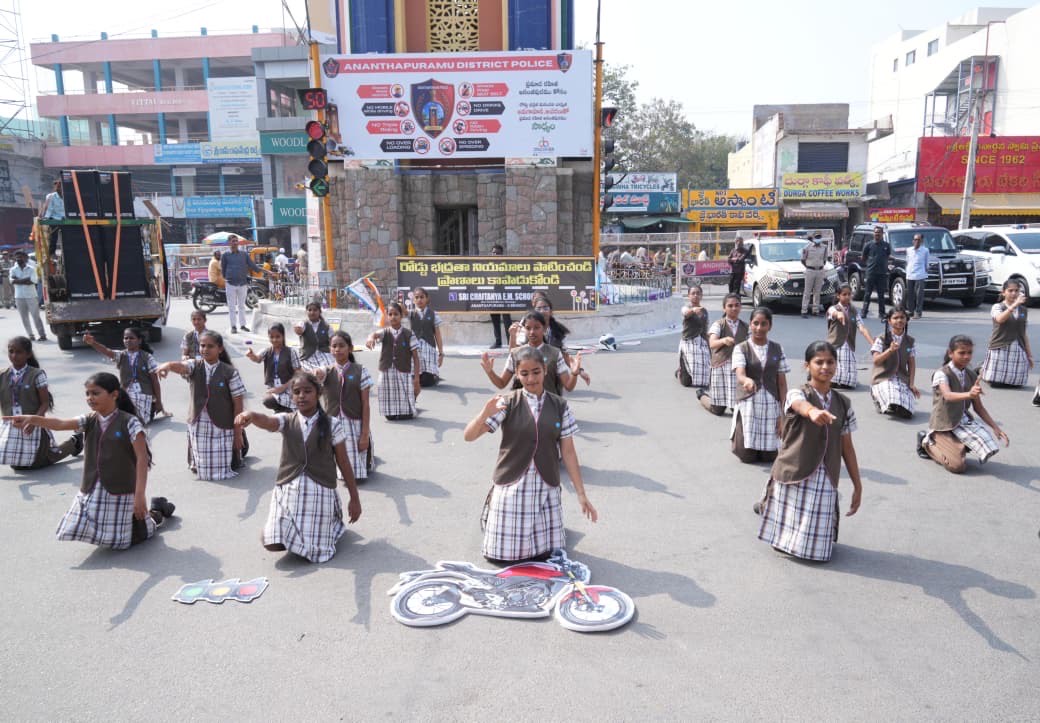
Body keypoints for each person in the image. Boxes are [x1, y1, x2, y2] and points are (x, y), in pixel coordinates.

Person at [6, 372, 175, 550]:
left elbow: (142, 458)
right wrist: (33, 419)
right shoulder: (89, 419)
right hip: (92, 486)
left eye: (95, 393)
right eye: (87, 394)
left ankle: (157, 511)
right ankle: (142, 517)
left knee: (128, 539)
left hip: (120, 489)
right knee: (82, 526)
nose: (90, 398)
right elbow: (61, 424)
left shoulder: (129, 423)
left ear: (114, 394)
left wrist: (139, 496)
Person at [464, 345, 597, 563]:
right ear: (517, 374)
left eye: (536, 372)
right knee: (501, 557)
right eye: (524, 373)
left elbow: (569, 452)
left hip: (544, 485)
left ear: (545, 370)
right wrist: (483, 415)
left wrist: (582, 495)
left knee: (543, 556)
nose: (531, 379)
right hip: (512, 482)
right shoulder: (507, 403)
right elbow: (468, 436)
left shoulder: (560, 406)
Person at [234, 370, 361, 563]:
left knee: (317, 552)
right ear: (292, 396)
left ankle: (328, 526)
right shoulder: (287, 420)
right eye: (297, 392)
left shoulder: (332, 424)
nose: (302, 396)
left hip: (320, 489)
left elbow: (343, 462)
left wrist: (354, 498)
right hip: (289, 487)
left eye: (307, 391)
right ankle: (296, 532)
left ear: (318, 393)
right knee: (269, 541)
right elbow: (268, 421)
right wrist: (250, 415)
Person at [756, 341, 863, 562]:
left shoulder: (843, 403)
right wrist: (812, 411)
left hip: (826, 472)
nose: (825, 367)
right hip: (795, 467)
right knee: (785, 538)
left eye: (830, 362)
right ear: (807, 366)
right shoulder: (799, 393)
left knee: (819, 554)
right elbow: (797, 403)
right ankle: (769, 507)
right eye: (819, 362)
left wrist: (857, 485)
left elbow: (847, 447)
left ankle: (768, 507)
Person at [157, 331, 247, 480]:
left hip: (222, 423)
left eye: (210, 346)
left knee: (225, 469)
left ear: (220, 349)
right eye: (202, 346)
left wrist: (238, 433)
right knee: (200, 469)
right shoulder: (195, 365)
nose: (205, 349)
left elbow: (238, 403)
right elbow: (181, 366)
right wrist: (167, 365)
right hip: (199, 422)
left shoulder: (230, 372)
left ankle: (237, 455)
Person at [918, 335, 1008, 473]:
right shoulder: (941, 373)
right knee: (957, 466)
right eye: (961, 353)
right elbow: (947, 396)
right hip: (944, 423)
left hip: (962, 421)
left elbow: (979, 407)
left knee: (987, 443)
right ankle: (926, 442)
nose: (966, 356)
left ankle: (956, 446)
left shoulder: (971, 375)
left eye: (969, 352)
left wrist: (995, 428)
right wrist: (969, 394)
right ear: (950, 353)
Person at [0, 336, 82, 470]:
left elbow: (45, 402)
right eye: (11, 351)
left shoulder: (37, 374)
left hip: (34, 424)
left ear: (28, 354)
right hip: (13, 427)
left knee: (39, 462)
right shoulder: (2, 375)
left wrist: (34, 422)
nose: (14, 355)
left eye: (19, 352)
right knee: (17, 465)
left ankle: (74, 442)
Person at [313, 330, 374, 481]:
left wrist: (365, 434)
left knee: (356, 475)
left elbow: (366, 404)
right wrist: (316, 372)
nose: (337, 349)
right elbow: (318, 372)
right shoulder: (327, 371)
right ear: (329, 349)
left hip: (354, 424)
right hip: (333, 423)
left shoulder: (360, 371)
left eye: (341, 346)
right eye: (334, 346)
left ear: (350, 348)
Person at [732, 307, 789, 463]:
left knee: (769, 457)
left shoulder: (777, 348)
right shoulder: (741, 348)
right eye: (755, 323)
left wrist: (783, 415)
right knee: (746, 456)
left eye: (763, 324)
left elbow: (782, 384)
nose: (759, 328)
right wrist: (746, 380)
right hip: (749, 402)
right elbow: (740, 373)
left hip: (771, 403)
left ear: (769, 326)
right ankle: (704, 397)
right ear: (750, 324)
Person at [482, 311, 581, 397]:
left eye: (537, 327)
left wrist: (574, 373)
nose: (532, 332)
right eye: (528, 328)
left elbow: (568, 386)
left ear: (544, 329)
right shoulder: (516, 353)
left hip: (549, 408)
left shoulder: (555, 353)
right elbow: (501, 384)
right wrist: (490, 372)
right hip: (522, 410)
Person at [83, 328, 165, 424]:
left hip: (143, 395)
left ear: (139, 340)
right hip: (125, 394)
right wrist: (93, 343)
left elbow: (155, 381)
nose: (128, 341)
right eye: (126, 338)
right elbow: (106, 351)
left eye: (131, 338)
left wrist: (159, 402)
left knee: (135, 420)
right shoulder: (121, 355)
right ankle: (88, 422)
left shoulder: (147, 357)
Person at [512, 293, 590, 386]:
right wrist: (512, 337)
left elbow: (564, 355)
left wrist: (580, 371)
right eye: (538, 308)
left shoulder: (557, 332)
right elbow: (514, 353)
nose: (542, 311)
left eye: (545, 308)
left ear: (551, 311)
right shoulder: (526, 329)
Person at [365, 302, 421, 420]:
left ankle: (408, 408)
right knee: (389, 414)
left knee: (406, 414)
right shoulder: (385, 332)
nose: (393, 317)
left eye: (396, 314)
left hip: (403, 371)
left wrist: (416, 378)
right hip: (387, 371)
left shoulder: (409, 334)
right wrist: (370, 338)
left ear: (401, 316)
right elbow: (374, 334)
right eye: (390, 314)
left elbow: (416, 357)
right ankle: (392, 410)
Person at [979, 279, 1033, 388]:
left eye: (1016, 291)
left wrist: (1029, 354)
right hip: (1000, 345)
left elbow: (1023, 332)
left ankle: (984, 367)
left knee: (1017, 383)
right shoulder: (998, 307)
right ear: (1003, 292)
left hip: (1018, 347)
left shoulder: (1023, 310)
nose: (1014, 293)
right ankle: (981, 369)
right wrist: (1014, 305)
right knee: (995, 382)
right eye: (1010, 290)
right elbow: (1000, 319)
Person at [701, 293, 748, 415]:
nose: (734, 308)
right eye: (730, 305)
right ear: (724, 308)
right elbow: (712, 343)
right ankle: (702, 396)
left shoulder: (745, 326)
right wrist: (723, 340)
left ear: (740, 307)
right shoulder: (719, 324)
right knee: (717, 410)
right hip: (720, 367)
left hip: (738, 368)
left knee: (735, 409)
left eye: (737, 305)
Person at [869, 308, 920, 419]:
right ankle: (878, 398)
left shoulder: (910, 341)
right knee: (892, 399)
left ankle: (895, 405)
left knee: (908, 410)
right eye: (895, 318)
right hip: (884, 379)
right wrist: (890, 351)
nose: (899, 320)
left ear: (906, 320)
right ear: (889, 321)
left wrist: (911, 384)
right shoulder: (881, 339)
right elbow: (876, 360)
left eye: (902, 317)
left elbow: (911, 364)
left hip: (901, 380)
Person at [245, 323, 301, 413]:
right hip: (274, 388)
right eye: (271, 337)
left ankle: (286, 410)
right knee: (267, 400)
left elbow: (298, 373)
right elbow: (257, 359)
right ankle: (280, 409)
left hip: (289, 387)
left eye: (278, 337)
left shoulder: (291, 352)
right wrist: (251, 355)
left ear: (283, 336)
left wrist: (283, 387)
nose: (274, 340)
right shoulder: (267, 351)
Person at [826, 284, 873, 389]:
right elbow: (833, 313)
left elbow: (862, 328)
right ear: (838, 296)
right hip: (835, 346)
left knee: (850, 383)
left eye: (849, 294)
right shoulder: (833, 308)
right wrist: (839, 314)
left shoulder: (853, 311)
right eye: (844, 294)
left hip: (849, 346)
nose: (847, 297)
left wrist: (873, 344)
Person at [219, 235, 262, 333]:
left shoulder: (244, 254)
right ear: (229, 242)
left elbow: (251, 265)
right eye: (233, 241)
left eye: (236, 241)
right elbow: (223, 268)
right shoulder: (225, 255)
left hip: (242, 283)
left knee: (242, 306)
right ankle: (233, 326)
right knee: (231, 306)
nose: (235, 243)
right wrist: (227, 278)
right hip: (230, 283)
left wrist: (260, 271)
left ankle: (243, 325)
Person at [676, 284, 710, 390]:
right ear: (689, 296)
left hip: (701, 343)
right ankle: (679, 372)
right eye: (693, 293)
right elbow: (686, 314)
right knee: (686, 382)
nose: (695, 296)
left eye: (698, 293)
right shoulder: (686, 308)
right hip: (688, 343)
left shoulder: (704, 311)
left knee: (705, 380)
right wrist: (693, 310)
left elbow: (705, 329)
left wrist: (709, 347)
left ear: (701, 296)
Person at [408, 287, 444, 387]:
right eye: (417, 297)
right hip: (415, 349)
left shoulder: (433, 314)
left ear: (427, 299)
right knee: (415, 379)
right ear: (414, 300)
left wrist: (441, 354)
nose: (419, 300)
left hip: (429, 349)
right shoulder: (411, 314)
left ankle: (433, 376)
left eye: (422, 297)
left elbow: (437, 334)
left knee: (427, 382)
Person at [10, 251, 46, 341]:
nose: (18, 259)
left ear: (24, 258)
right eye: (17, 257)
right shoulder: (13, 270)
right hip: (19, 297)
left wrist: (18, 281)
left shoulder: (31, 269)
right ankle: (30, 335)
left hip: (31, 296)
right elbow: (12, 281)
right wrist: (25, 280)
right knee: (24, 318)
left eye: (20, 257)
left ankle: (42, 335)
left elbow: (33, 281)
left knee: (35, 316)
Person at [860, 226, 891, 319]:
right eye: (875, 232)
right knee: (867, 293)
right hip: (871, 273)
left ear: (882, 234)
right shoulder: (868, 245)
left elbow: (888, 256)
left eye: (879, 232)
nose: (877, 234)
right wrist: (870, 264)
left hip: (882, 274)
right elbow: (863, 258)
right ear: (873, 233)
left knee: (881, 294)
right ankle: (864, 312)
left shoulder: (886, 245)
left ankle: (882, 313)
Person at [294, 301, 334, 367]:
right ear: (306, 312)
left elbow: (333, 339)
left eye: (315, 310)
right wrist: (298, 330)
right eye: (310, 310)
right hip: (307, 356)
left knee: (330, 369)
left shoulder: (326, 326)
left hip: (324, 354)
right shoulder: (304, 323)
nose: (312, 312)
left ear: (319, 312)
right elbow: (299, 330)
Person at [488, 244, 512, 349]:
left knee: (507, 319)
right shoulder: (488, 266)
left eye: (497, 253)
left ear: (501, 254)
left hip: (504, 295)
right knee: (495, 319)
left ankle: (510, 341)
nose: (495, 255)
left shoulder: (506, 266)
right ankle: (498, 342)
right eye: (493, 253)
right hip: (492, 296)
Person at [800, 232, 828, 318]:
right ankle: (804, 310)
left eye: (819, 237)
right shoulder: (807, 247)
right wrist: (809, 267)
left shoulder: (824, 247)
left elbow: (824, 260)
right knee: (807, 291)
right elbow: (802, 259)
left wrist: (819, 267)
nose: (818, 238)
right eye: (816, 237)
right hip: (810, 270)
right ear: (813, 238)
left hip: (820, 270)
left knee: (817, 292)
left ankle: (815, 310)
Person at [904, 232, 930, 318]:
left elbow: (927, 264)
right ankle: (910, 311)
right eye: (915, 239)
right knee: (910, 294)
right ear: (912, 241)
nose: (916, 241)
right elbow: (907, 261)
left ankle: (918, 312)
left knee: (919, 295)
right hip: (910, 274)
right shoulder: (909, 250)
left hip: (920, 275)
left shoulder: (925, 250)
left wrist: (925, 271)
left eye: (918, 240)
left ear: (921, 241)